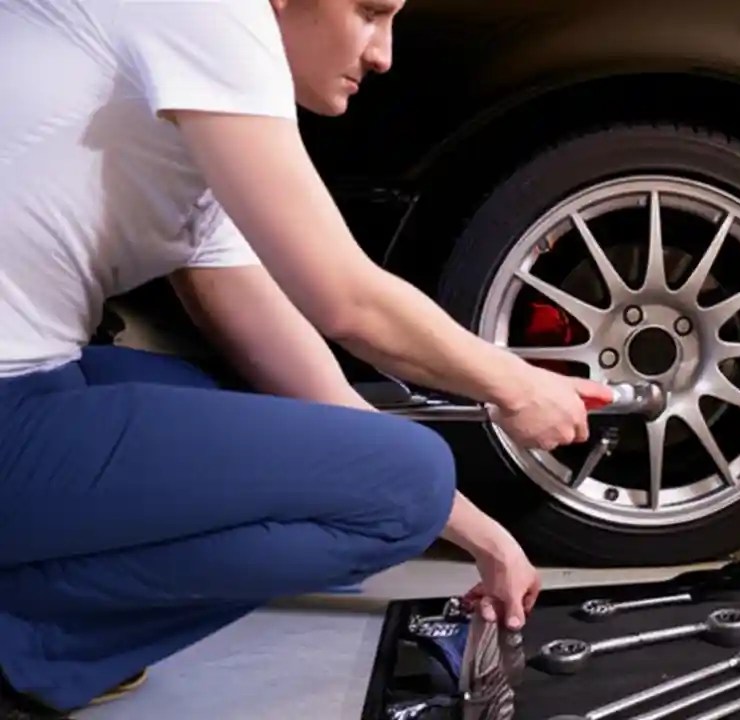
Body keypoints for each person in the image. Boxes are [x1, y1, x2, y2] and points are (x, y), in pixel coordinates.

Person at [0, 0, 613, 717]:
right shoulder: (208, 14)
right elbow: (348, 302)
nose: (382, 53)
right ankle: (25, 637)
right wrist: (513, 384)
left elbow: (306, 383)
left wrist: (486, 539)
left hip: (31, 391)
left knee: (254, 414)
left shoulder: (195, 103)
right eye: (368, 12)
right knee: (406, 481)